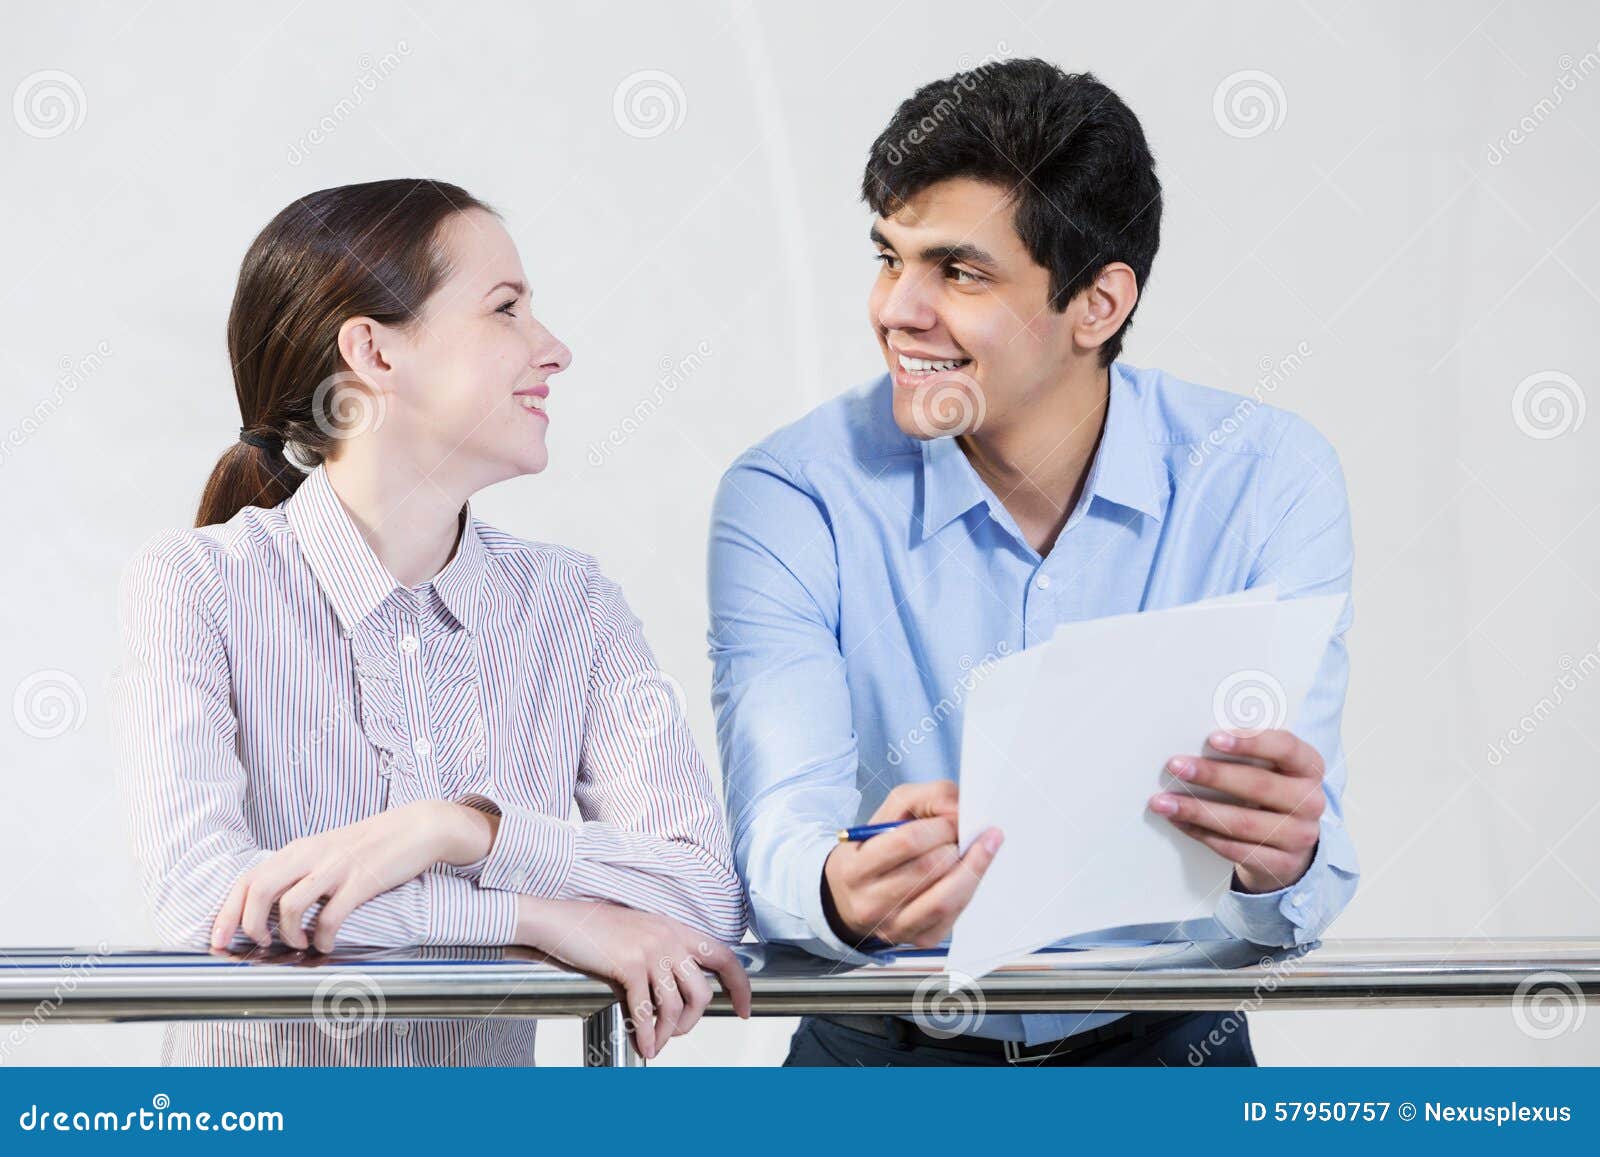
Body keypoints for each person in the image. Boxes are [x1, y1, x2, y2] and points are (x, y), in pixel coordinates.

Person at [708, 60, 1358, 1066]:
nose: (897, 309)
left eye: (959, 273)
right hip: (881, 1055)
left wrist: (1279, 860)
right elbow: (778, 838)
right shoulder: (794, 493)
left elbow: (1298, 895)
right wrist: (841, 884)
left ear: (1096, 305)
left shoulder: (1265, 477)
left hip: (1164, 1055)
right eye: (891, 258)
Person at [110, 178, 749, 1066]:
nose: (554, 347)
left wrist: (462, 829)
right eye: (506, 309)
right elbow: (207, 907)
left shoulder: (574, 606)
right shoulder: (198, 584)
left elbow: (704, 898)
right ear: (373, 351)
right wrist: (534, 917)